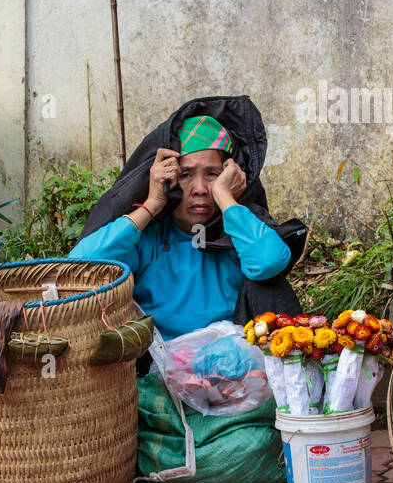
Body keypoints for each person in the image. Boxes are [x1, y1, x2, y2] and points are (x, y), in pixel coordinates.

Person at [69, 113, 293, 341]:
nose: (199, 189)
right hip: (160, 366)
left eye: (213, 174)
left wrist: (226, 199)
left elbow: (271, 261)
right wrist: (152, 204)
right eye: (185, 175)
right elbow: (78, 267)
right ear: (168, 179)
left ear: (230, 177)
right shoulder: (149, 239)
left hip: (235, 365)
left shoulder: (237, 234)